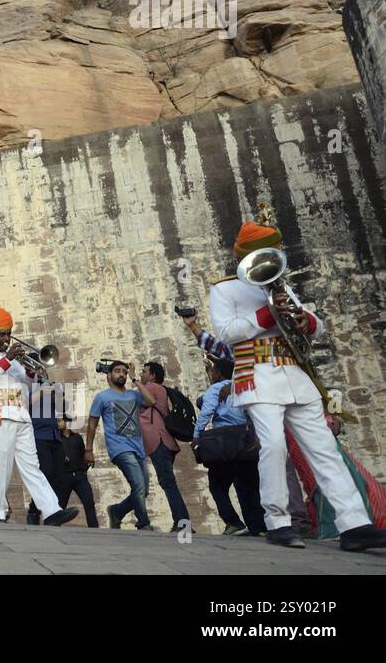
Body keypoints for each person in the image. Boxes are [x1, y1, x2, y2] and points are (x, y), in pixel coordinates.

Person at [210, 216, 386, 551]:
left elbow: (316, 327)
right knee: (274, 446)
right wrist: (267, 315)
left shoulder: (281, 285)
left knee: (325, 449)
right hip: (257, 375)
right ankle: (278, 521)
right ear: (247, 256)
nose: (272, 256)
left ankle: (355, 524)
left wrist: (307, 322)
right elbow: (226, 333)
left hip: (294, 374)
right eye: (265, 251)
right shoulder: (224, 289)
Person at [0, 305, 78, 526]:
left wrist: (29, 372)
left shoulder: (12, 360)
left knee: (32, 465)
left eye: (8, 333)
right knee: (0, 466)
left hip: (20, 414)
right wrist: (8, 358)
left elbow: (25, 387)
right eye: (2, 334)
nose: (7, 338)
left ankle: (51, 510)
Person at [194, 355, 265, 535]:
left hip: (224, 441)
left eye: (212, 371)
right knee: (249, 485)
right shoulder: (242, 386)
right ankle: (258, 526)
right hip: (246, 437)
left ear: (218, 373)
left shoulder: (215, 389)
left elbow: (206, 412)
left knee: (217, 485)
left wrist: (196, 436)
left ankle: (233, 522)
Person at [87, 361, 155, 530]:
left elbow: (151, 401)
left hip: (138, 448)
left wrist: (135, 379)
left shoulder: (134, 395)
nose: (122, 374)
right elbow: (92, 425)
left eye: (124, 372)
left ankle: (117, 511)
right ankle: (144, 523)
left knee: (143, 490)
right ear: (108, 375)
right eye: (117, 371)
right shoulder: (102, 397)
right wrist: (89, 449)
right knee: (138, 486)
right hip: (120, 449)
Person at [138, 360, 191, 532]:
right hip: (163, 442)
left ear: (152, 375)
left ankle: (183, 523)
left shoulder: (153, 388)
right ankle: (183, 522)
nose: (141, 374)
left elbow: (139, 400)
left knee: (168, 483)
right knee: (168, 482)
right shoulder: (157, 389)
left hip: (159, 441)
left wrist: (133, 380)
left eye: (144, 372)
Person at [25, 369, 67, 525]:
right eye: (37, 369)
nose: (41, 371)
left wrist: (57, 394)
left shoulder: (50, 386)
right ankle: (34, 511)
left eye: (42, 368)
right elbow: (23, 403)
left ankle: (52, 512)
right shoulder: (27, 386)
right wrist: (40, 391)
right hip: (38, 436)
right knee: (46, 472)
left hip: (54, 435)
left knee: (59, 477)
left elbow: (61, 409)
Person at [57, 417, 98, 527]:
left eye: (60, 420)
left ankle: (94, 528)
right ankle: (53, 528)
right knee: (60, 505)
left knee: (89, 502)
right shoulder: (56, 439)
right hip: (64, 476)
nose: (58, 423)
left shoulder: (77, 438)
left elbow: (82, 454)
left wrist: (86, 464)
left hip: (79, 475)